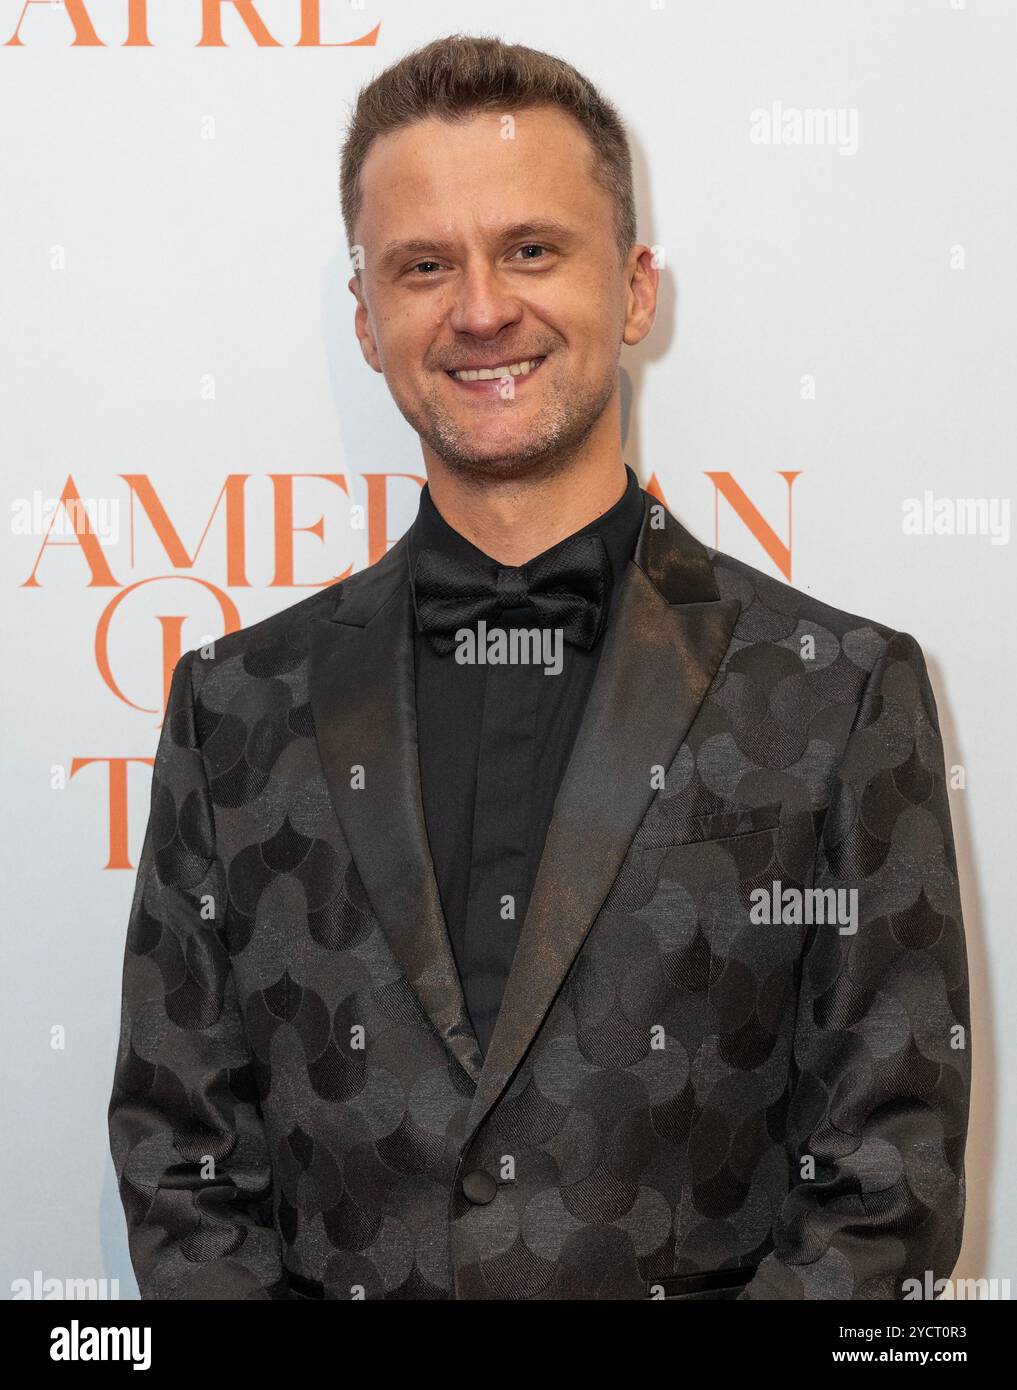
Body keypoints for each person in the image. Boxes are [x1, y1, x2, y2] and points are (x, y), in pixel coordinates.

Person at [108, 33, 971, 1301]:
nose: (478, 309)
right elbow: (180, 1159)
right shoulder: (234, 707)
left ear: (633, 291)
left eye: (530, 249)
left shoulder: (837, 692)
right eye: (422, 265)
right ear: (367, 318)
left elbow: (888, 1182)